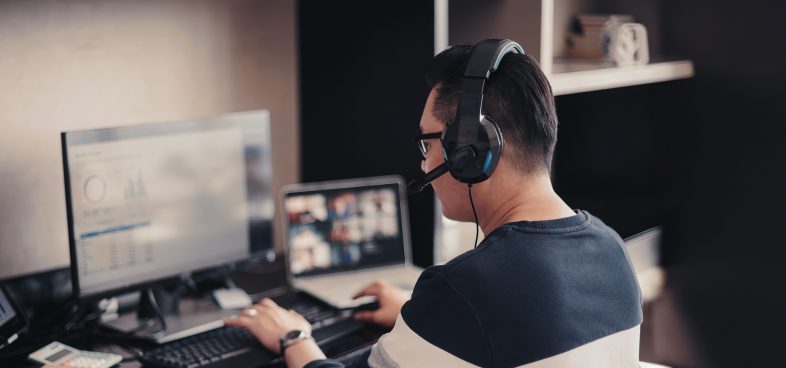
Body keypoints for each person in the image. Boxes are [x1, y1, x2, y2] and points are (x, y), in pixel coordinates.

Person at [225, 40, 642, 367]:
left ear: (470, 152)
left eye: (428, 145)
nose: (425, 163)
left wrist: (294, 338)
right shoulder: (612, 249)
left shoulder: (464, 290)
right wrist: (417, 318)